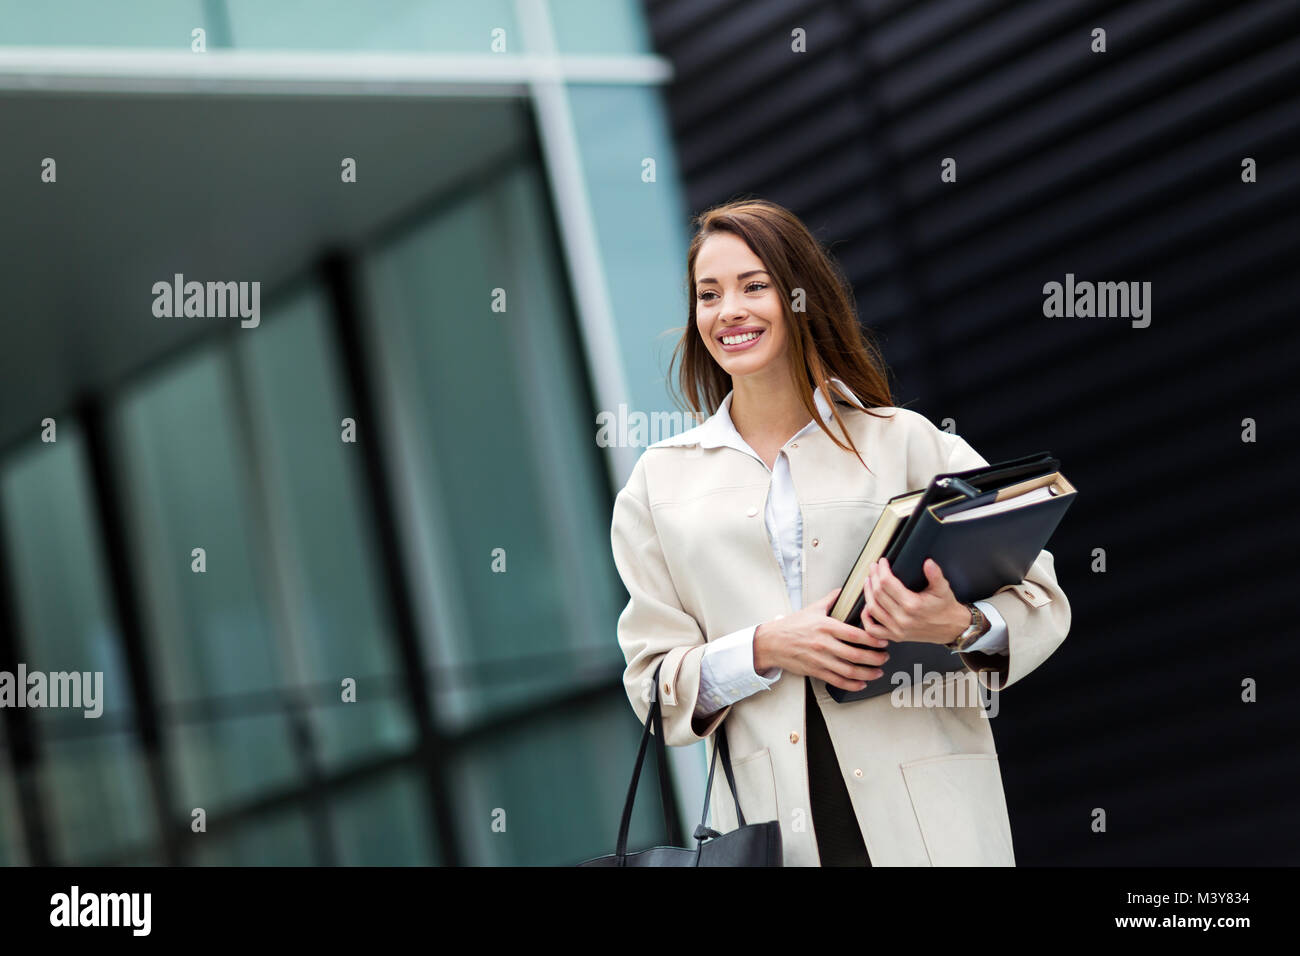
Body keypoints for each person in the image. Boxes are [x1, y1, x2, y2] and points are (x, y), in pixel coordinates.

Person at [608, 198, 1071, 866]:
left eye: (754, 286)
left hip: (929, 817)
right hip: (773, 832)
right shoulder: (659, 485)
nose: (728, 310)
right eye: (708, 295)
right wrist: (767, 645)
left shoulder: (906, 442)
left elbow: (1042, 602)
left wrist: (953, 625)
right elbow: (652, 685)